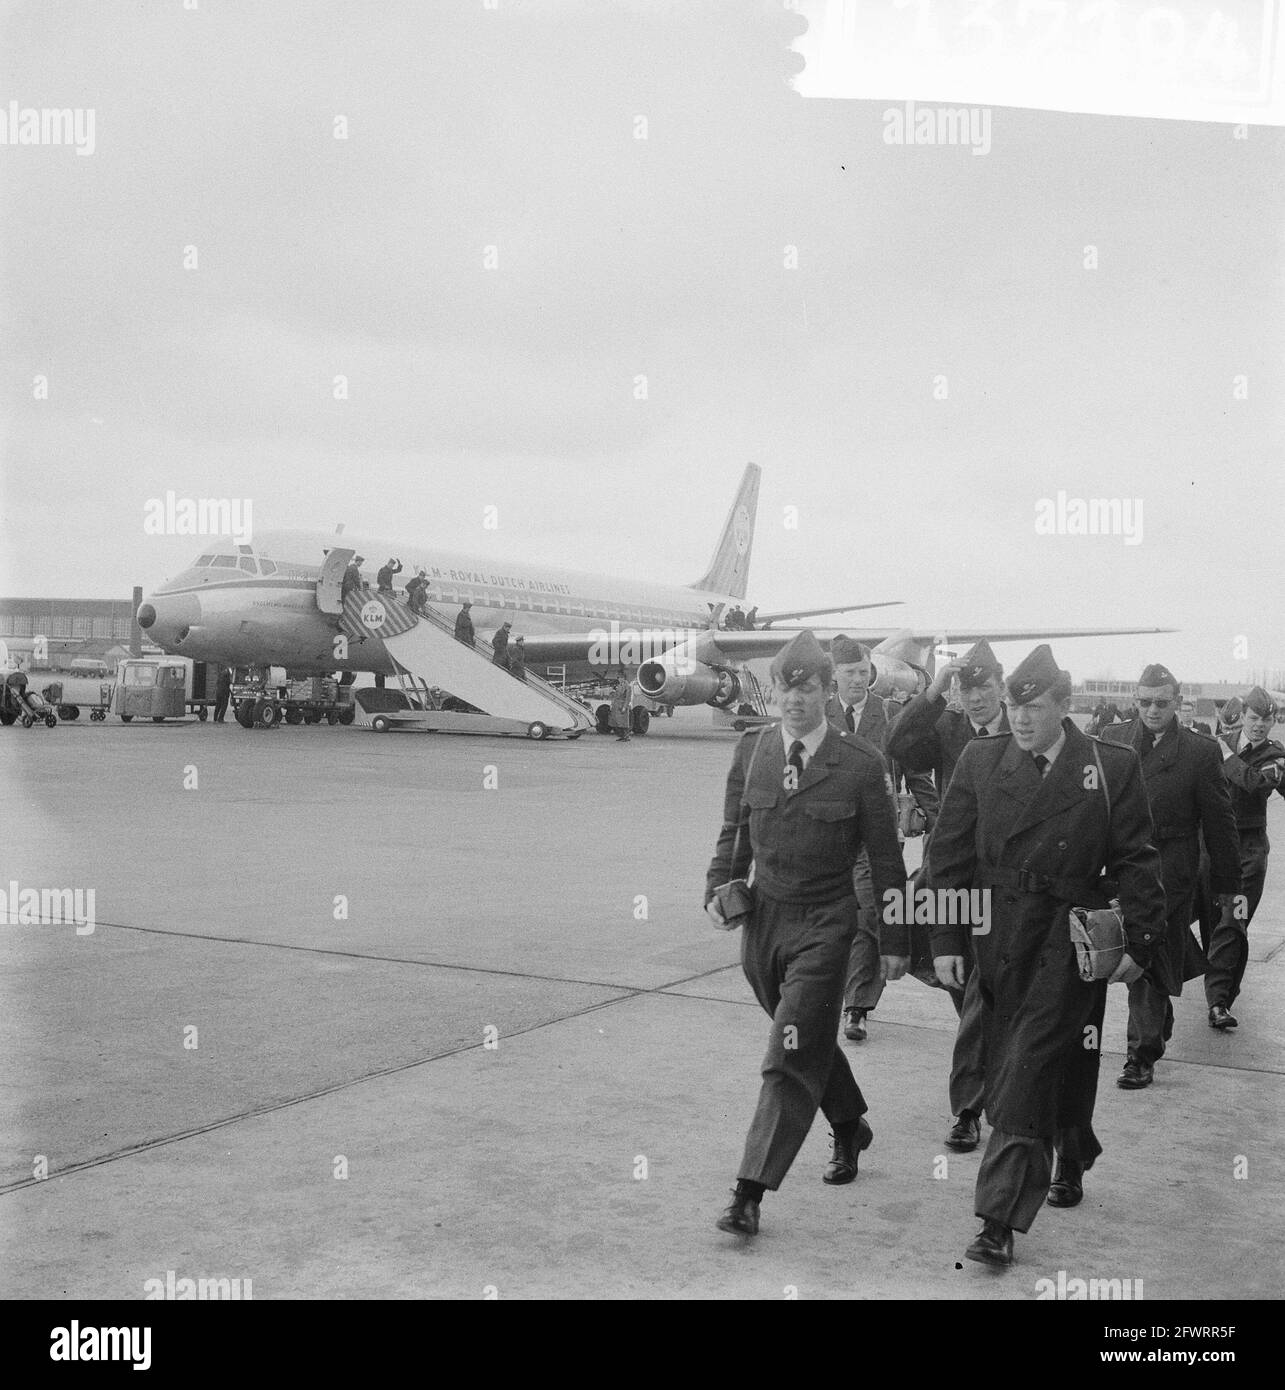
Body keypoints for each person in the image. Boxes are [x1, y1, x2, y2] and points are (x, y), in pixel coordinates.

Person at [928, 644, 1166, 1268]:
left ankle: (997, 1220)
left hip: (1066, 941)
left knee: (1027, 1067)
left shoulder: (1109, 766)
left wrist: (1140, 941)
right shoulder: (982, 760)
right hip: (998, 938)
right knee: (1023, 1061)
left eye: (1034, 706)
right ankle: (1074, 1145)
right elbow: (946, 858)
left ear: (1065, 705)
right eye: (1014, 705)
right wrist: (945, 940)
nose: (1020, 717)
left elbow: (1138, 857)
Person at [705, 630, 908, 1239]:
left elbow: (886, 856)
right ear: (775, 690)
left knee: (788, 1052)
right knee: (804, 1033)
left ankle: (748, 1192)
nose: (795, 700)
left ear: (827, 690)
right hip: (765, 920)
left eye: (808, 688)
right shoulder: (753, 751)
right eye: (785, 688)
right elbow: (732, 832)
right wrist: (719, 886)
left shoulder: (860, 764)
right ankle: (849, 1123)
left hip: (827, 920)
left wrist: (894, 937)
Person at [885, 638, 1009, 1152]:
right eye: (966, 687)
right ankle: (986, 1077)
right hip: (948, 871)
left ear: (1001, 687)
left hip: (1003, 879)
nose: (976, 697)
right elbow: (896, 743)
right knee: (958, 976)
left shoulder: (1023, 729)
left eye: (984, 687)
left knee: (987, 985)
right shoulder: (949, 726)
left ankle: (968, 1107)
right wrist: (933, 692)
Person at [1099, 665, 1239, 1086]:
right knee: (1135, 955)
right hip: (1122, 866)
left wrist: (1228, 886)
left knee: (1151, 950)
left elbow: (1220, 822)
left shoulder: (1199, 751)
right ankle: (1158, 1018)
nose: (1152, 710)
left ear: (1177, 703)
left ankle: (1140, 1056)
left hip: (1172, 869)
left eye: (1161, 702)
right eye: (1144, 702)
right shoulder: (1114, 740)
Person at [823, 636, 918, 1043]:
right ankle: (829, 996)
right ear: (835, 676)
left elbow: (913, 769)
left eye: (864, 672)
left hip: (875, 837)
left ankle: (857, 1006)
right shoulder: (819, 714)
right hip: (826, 837)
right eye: (850, 674)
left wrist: (930, 810)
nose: (859, 680)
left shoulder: (891, 713)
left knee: (867, 917)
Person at [1203, 687, 1285, 1029]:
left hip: (1249, 851)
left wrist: (1223, 754)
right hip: (1211, 847)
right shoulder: (1221, 742)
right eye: (1254, 718)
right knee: (1212, 923)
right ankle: (1222, 988)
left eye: (1267, 720)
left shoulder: (1275, 753)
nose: (1260, 726)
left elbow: (1254, 783)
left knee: (1232, 921)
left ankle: (1218, 1002)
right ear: (1244, 716)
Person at [608, 673, 632, 740]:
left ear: (624, 678)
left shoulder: (627, 686)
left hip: (622, 705)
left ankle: (626, 736)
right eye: (618, 678)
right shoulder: (619, 686)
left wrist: (625, 707)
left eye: (621, 678)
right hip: (616, 705)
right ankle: (621, 736)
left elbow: (628, 698)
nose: (619, 679)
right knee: (617, 722)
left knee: (623, 722)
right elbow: (615, 696)